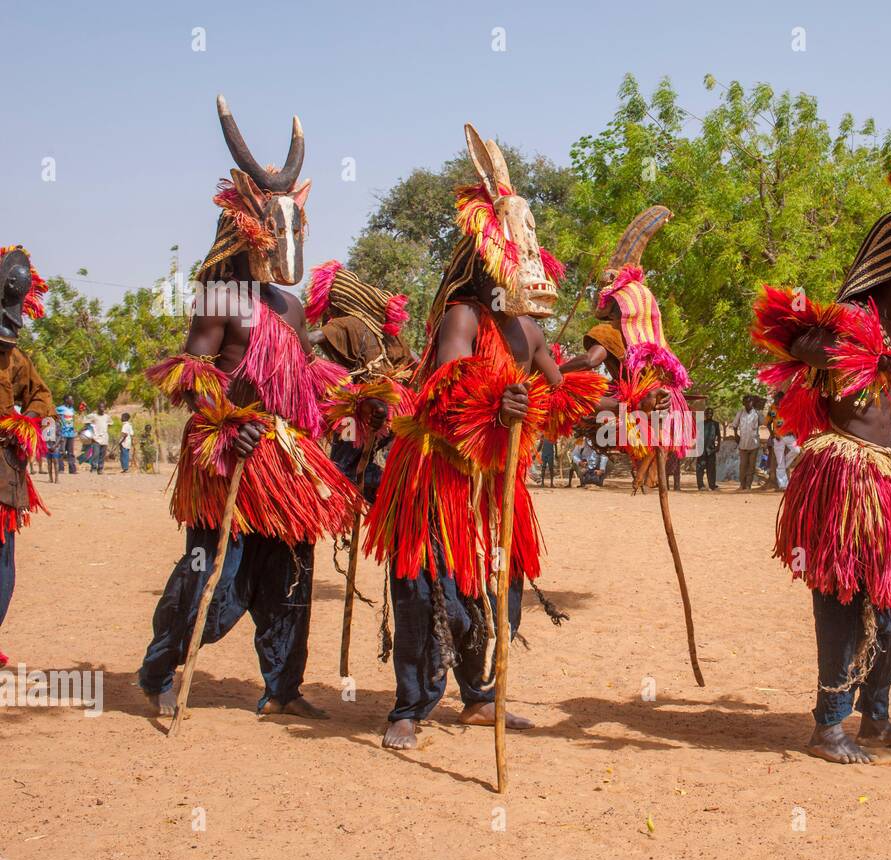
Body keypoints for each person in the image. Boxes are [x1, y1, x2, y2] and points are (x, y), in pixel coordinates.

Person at [363, 125, 604, 751]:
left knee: (489, 591)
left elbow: (562, 389)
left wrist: (616, 373)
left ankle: (479, 696)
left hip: (494, 486)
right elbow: (444, 389)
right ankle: (410, 707)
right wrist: (496, 407)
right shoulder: (462, 316)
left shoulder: (529, 329)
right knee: (424, 589)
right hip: (437, 477)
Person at [752, 124, 891, 765]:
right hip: (844, 473)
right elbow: (796, 343)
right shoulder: (854, 315)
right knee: (844, 598)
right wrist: (877, 359)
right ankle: (828, 725)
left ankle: (875, 715)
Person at [138, 95, 358, 720]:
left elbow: (303, 382)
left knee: (290, 577)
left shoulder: (290, 307)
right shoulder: (219, 297)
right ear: (246, 226)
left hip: (284, 462)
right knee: (215, 578)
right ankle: (159, 666)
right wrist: (223, 426)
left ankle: (283, 686)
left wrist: (354, 404)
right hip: (227, 460)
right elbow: (191, 376)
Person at [558, 205, 688, 496]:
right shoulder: (649, 341)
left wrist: (556, 370)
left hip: (641, 402)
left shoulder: (609, 331)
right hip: (667, 401)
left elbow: (590, 361)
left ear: (616, 303)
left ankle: (630, 446)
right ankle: (645, 464)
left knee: (574, 396)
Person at [302, 259, 416, 504]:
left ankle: (391, 490)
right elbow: (416, 361)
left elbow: (311, 338)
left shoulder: (344, 323)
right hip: (400, 406)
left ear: (337, 302)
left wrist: (286, 339)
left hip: (365, 409)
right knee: (358, 464)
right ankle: (393, 491)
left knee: (340, 470)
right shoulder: (386, 332)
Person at [0, 245, 55, 649]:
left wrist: (25, 425)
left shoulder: (13, 358)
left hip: (3, 476)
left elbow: (41, 396)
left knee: (3, 568)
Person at [732, 395, 761, 489]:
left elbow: (766, 422)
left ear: (752, 402)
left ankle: (748, 485)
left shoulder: (757, 413)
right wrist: (736, 435)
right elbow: (735, 425)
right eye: (746, 402)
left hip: (754, 444)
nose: (748, 403)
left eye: (750, 401)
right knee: (743, 466)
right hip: (743, 444)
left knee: (751, 466)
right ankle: (742, 485)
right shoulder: (740, 413)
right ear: (743, 403)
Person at [696, 407, 721, 490]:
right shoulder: (700, 424)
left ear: (712, 414)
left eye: (710, 413)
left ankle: (712, 485)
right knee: (700, 468)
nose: (709, 415)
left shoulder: (716, 424)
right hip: (701, 449)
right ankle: (701, 485)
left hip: (711, 449)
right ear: (705, 414)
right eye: (707, 413)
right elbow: (697, 436)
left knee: (711, 468)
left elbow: (719, 436)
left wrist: (718, 446)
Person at [86, 404, 110, 474]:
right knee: (95, 454)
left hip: (104, 438)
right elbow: (87, 423)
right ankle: (93, 468)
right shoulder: (94, 416)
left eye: (103, 407)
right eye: (100, 407)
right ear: (98, 408)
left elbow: (110, 424)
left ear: (105, 408)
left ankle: (100, 468)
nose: (101, 408)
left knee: (102, 455)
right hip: (96, 438)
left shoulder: (107, 417)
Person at [55, 395, 76, 474]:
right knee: (61, 451)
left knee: (71, 452)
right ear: (66, 400)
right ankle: (61, 469)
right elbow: (55, 418)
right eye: (71, 399)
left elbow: (72, 420)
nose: (73, 401)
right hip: (62, 434)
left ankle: (72, 469)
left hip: (71, 434)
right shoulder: (59, 409)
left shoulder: (72, 409)